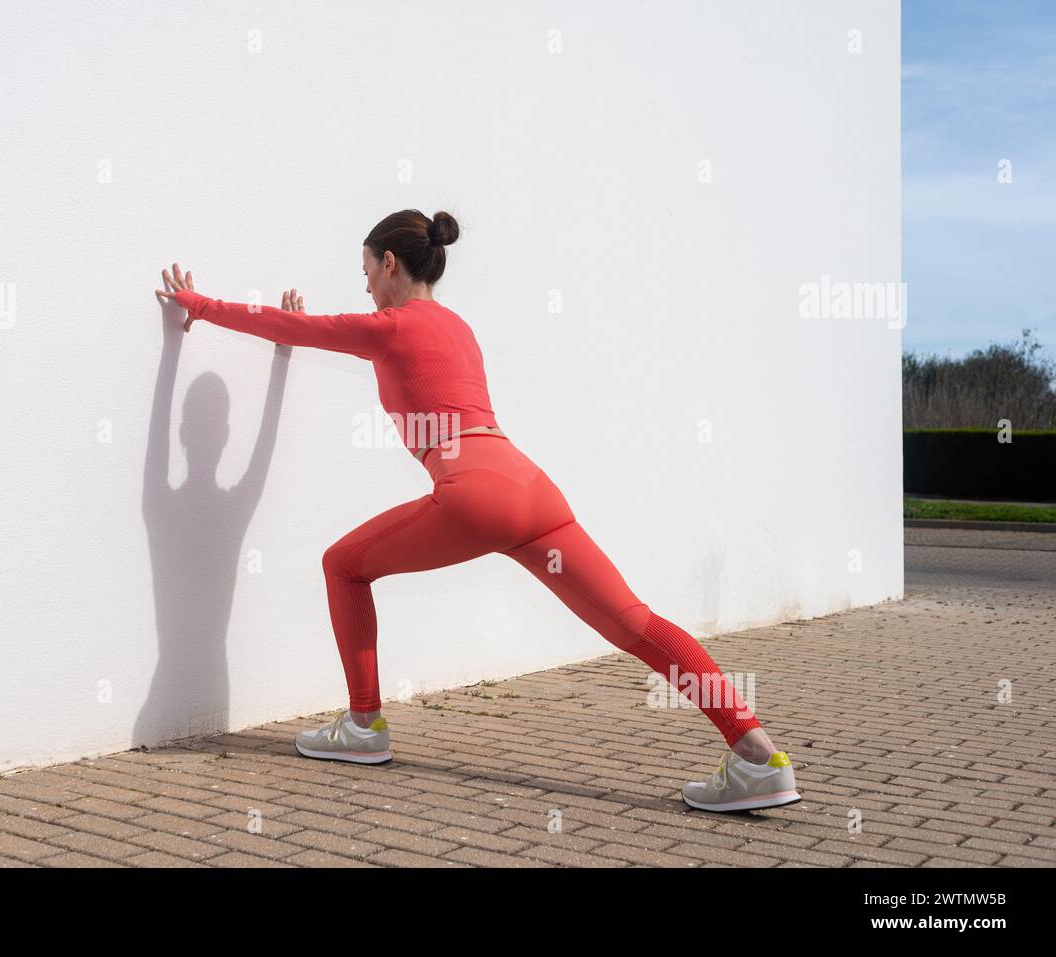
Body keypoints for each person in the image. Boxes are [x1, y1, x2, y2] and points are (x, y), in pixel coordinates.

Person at [155, 209, 801, 812]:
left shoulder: (388, 326)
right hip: (532, 489)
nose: (367, 294)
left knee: (342, 565)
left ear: (389, 265)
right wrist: (291, 332)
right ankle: (757, 754)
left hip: (473, 494)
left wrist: (200, 306)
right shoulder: (460, 328)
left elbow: (301, 329)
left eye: (367, 276)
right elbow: (315, 334)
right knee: (633, 620)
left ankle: (363, 724)